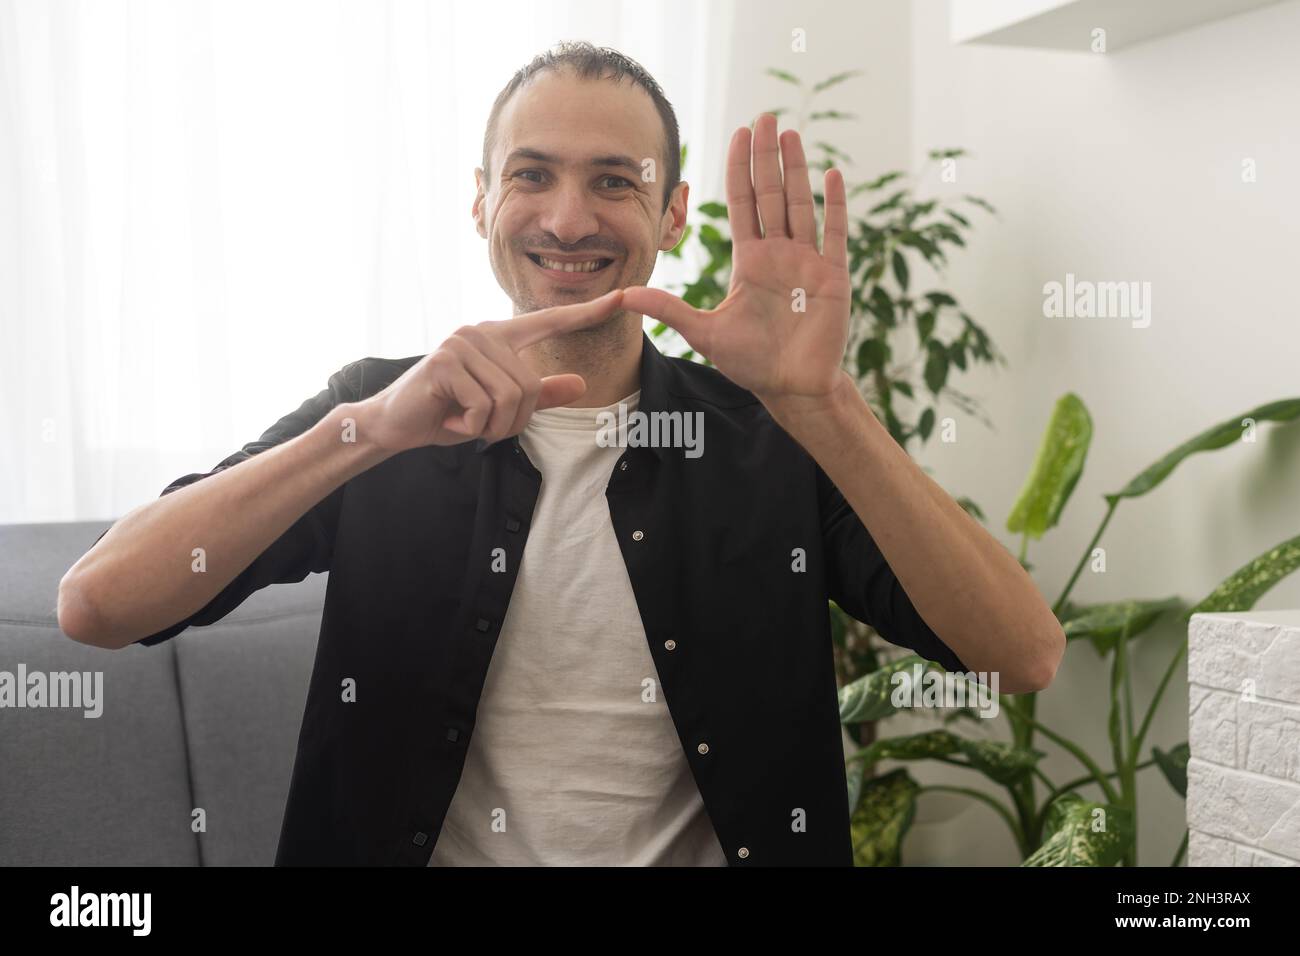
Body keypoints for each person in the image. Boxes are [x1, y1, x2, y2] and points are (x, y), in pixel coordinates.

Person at [59, 42, 1064, 866]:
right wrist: (365, 431)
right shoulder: (380, 408)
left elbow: (1020, 655)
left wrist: (822, 401)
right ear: (481, 200)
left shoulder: (776, 434)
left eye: (614, 183)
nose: (568, 219)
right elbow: (99, 603)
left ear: (671, 215)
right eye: (531, 175)